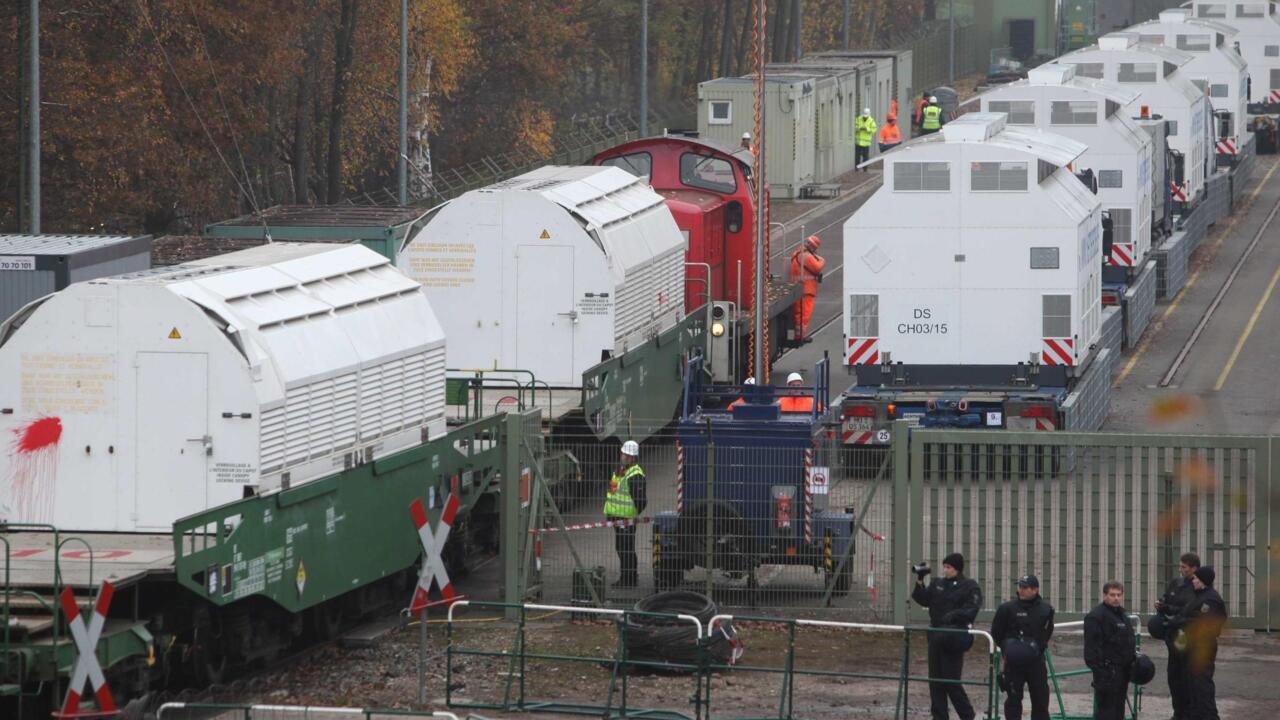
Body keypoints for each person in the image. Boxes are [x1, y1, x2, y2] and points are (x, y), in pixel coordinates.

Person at [912, 553, 982, 720]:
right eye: (944, 567)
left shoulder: (969, 586)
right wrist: (920, 580)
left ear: (957, 569)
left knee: (950, 680)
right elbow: (923, 600)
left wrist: (954, 616)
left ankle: (967, 715)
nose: (945, 570)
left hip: (954, 637)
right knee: (935, 680)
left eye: (949, 567)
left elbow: (972, 608)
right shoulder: (938, 583)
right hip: (935, 635)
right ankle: (939, 716)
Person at [990, 575, 1055, 720]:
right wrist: (1009, 647)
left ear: (1035, 589)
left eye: (1025, 587)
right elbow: (996, 632)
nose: (1021, 590)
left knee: (1041, 700)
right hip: (1013, 662)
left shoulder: (1046, 609)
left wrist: (1036, 647)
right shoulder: (1007, 608)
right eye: (1020, 587)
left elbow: (1048, 631)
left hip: (1036, 661)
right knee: (1013, 700)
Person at [1167, 566, 1227, 720]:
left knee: (1201, 685)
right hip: (1192, 646)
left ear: (1203, 581)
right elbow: (1188, 613)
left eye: (1196, 579)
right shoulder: (1199, 596)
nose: (1193, 581)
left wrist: (1179, 622)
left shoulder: (1210, 600)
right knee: (1191, 684)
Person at [1157, 552, 1201, 719]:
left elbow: (1188, 612)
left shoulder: (1197, 587)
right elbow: (1167, 599)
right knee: (1174, 677)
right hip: (1173, 638)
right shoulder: (1176, 583)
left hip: (1189, 639)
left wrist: (1171, 611)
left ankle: (1189, 713)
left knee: (1188, 678)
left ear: (1194, 568)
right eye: (1180, 566)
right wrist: (1161, 605)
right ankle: (1178, 712)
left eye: (1184, 567)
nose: (1180, 570)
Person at [1085, 581, 1137, 720]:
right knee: (1106, 711)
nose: (1116, 598)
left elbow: (1128, 641)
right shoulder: (1096, 616)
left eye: (1119, 595)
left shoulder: (1122, 615)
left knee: (1118, 710)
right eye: (1112, 595)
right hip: (1107, 672)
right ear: (1104, 595)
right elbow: (1091, 649)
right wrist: (1101, 671)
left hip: (1122, 670)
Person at [603, 440, 646, 588]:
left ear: (634, 458)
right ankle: (629, 577)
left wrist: (631, 515)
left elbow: (641, 501)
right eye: (623, 454)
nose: (624, 457)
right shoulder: (619, 471)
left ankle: (628, 580)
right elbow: (612, 492)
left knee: (626, 549)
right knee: (622, 548)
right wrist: (610, 513)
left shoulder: (635, 475)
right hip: (617, 518)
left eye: (628, 456)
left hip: (626, 520)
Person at [790, 234, 825, 342]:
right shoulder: (807, 256)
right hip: (806, 288)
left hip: (800, 287)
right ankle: (800, 336)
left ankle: (799, 334)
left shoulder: (797, 253)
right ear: (813, 247)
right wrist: (821, 260)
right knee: (804, 313)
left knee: (799, 313)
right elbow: (817, 267)